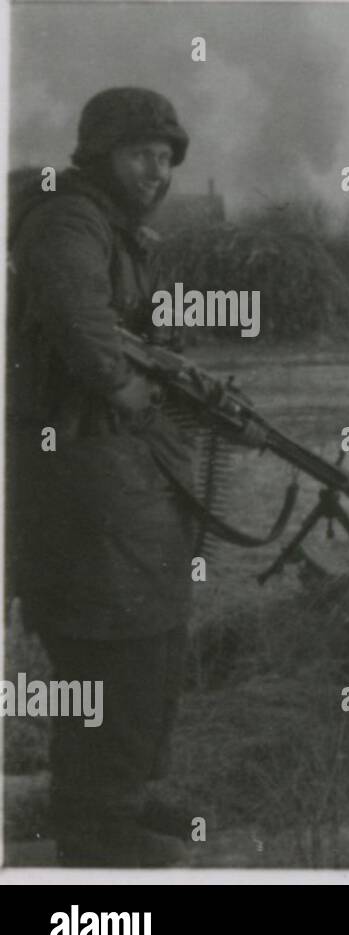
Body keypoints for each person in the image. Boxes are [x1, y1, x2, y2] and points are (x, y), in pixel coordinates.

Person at [6, 87, 198, 866]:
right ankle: (93, 825)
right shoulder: (69, 217)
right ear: (101, 154)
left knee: (150, 630)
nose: (157, 171)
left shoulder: (112, 226)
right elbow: (74, 311)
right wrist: (121, 381)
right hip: (76, 466)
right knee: (109, 640)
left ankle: (127, 793)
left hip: (108, 466)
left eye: (166, 158)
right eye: (142, 154)